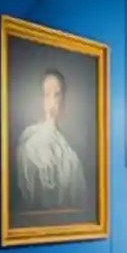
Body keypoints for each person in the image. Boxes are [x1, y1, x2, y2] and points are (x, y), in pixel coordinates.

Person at [16, 69, 88, 211]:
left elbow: (81, 199)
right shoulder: (30, 143)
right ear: (40, 100)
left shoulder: (69, 151)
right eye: (47, 95)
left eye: (57, 95)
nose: (53, 101)